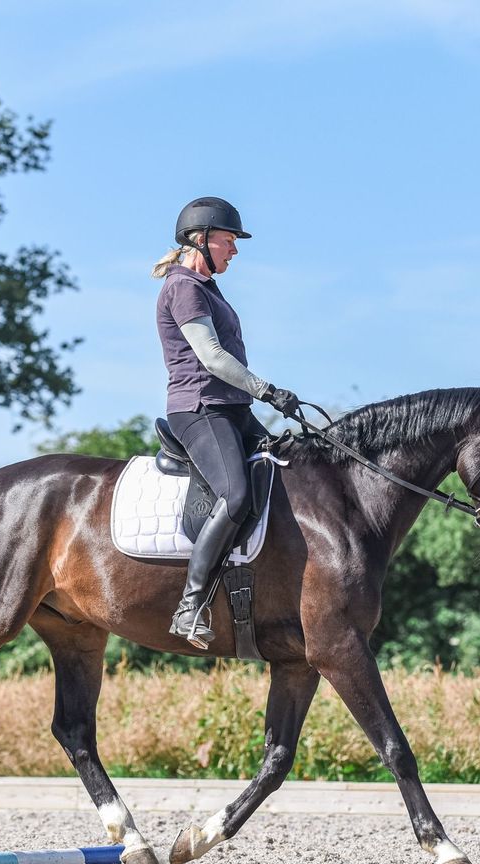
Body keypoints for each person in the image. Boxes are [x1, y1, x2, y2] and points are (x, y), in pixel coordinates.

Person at [152, 196, 301, 649]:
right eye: (229, 240)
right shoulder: (184, 287)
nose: (234, 249)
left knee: (291, 463)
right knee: (235, 494)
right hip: (200, 408)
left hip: (231, 408)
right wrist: (268, 390)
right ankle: (190, 606)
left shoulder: (208, 287)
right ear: (202, 239)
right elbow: (212, 357)